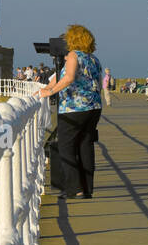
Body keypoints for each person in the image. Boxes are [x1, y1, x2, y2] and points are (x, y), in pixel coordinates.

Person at [38, 24, 104, 199]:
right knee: (85, 146)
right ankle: (87, 188)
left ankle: (74, 188)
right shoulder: (93, 59)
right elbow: (94, 81)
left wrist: (48, 92)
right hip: (94, 107)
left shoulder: (74, 56)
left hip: (74, 107)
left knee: (66, 147)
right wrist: (46, 87)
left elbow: (68, 77)